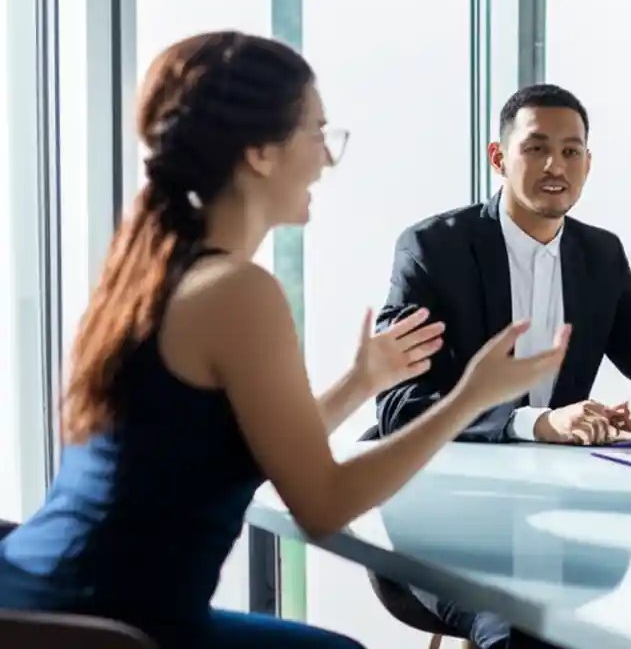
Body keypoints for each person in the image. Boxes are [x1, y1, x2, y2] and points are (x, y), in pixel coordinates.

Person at [0, 32, 567, 649]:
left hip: (44, 590)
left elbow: (242, 447)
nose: (326, 157)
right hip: (106, 625)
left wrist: (361, 382)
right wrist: (468, 397)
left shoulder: (155, 270)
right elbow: (321, 504)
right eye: (316, 132)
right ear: (261, 153)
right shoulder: (238, 292)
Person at [373, 83, 631, 445]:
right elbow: (399, 405)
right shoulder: (433, 250)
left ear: (588, 164)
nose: (556, 166)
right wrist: (536, 424)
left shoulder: (600, 256)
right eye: (536, 149)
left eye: (571, 152)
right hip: (448, 478)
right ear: (498, 158)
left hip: (556, 482)